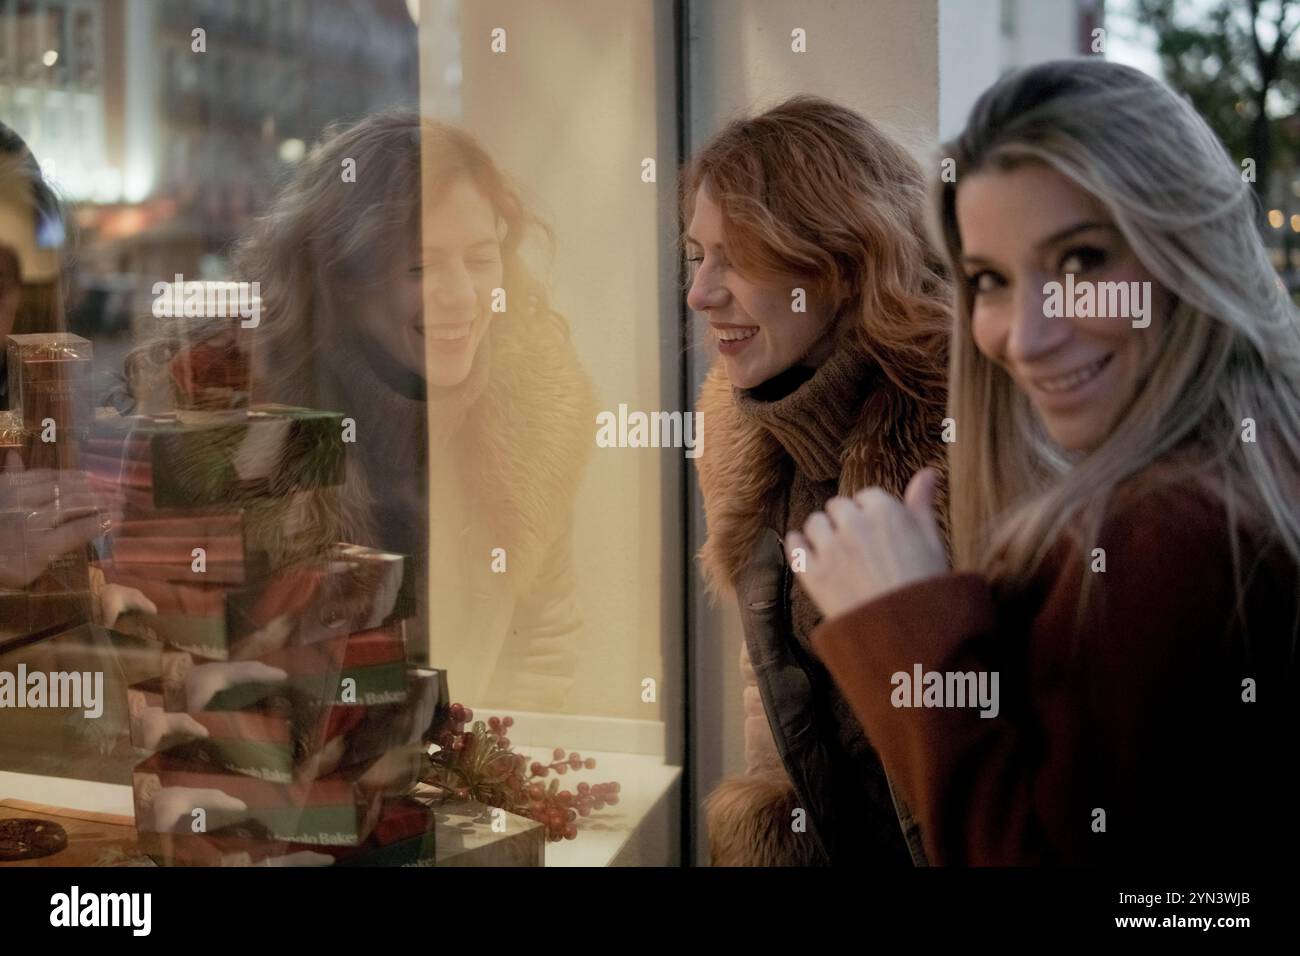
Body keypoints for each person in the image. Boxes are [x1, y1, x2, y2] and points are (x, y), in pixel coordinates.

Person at [793, 60, 1300, 864]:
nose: (1025, 337)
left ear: (1188, 250)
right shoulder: (1247, 470)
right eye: (990, 280)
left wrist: (906, 624)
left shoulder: (1169, 532)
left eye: (1083, 263)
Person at [234, 110, 595, 711]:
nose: (461, 296)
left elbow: (542, 644)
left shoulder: (532, 419)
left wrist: (482, 786)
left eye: (481, 259)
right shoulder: (247, 428)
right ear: (342, 278)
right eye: (421, 267)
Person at [685, 96, 951, 865]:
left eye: (736, 257)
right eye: (695, 254)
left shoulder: (969, 436)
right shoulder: (742, 426)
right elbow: (770, 700)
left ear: (841, 262)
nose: (701, 292)